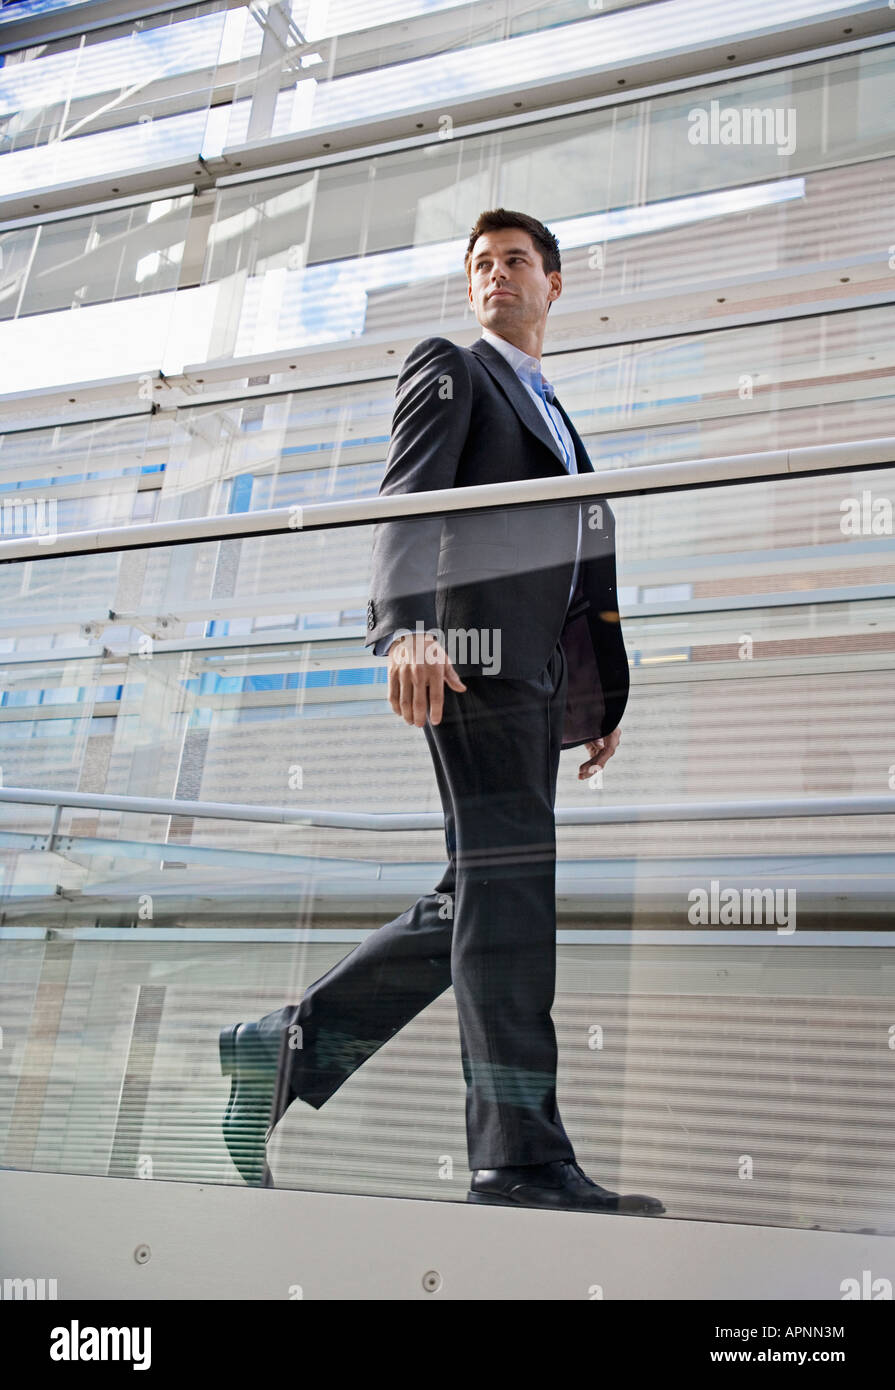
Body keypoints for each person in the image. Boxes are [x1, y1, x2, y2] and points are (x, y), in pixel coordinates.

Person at [219, 208, 664, 1215]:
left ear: (555, 283)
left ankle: (279, 1045)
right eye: (481, 264)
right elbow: (407, 499)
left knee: (480, 895)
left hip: (534, 683)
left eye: (516, 261)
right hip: (466, 664)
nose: (497, 276)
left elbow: (570, 572)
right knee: (509, 898)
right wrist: (403, 630)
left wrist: (594, 692)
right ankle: (516, 1157)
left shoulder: (552, 411)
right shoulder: (453, 367)